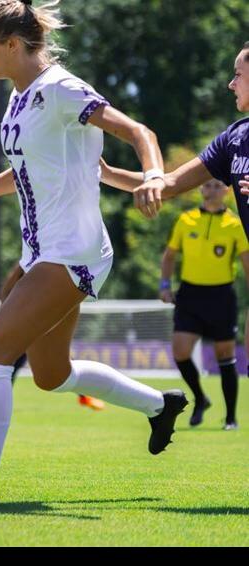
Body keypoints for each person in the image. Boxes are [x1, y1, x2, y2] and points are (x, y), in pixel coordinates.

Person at [0, 0, 187, 507]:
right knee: (51, 375)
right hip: (40, 250)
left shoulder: (62, 88)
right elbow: (33, 167)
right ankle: (161, 405)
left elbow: (140, 133)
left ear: (12, 44)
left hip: (73, 251)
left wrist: (154, 175)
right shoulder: (18, 98)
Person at [134, 41, 249, 432]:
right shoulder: (234, 138)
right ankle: (206, 402)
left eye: (238, 74)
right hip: (195, 293)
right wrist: (107, 175)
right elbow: (170, 183)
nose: (231, 84)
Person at [160, 181, 249, 429]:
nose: (211, 189)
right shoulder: (185, 220)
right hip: (190, 294)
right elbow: (169, 256)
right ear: (200, 189)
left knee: (225, 355)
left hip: (221, 296)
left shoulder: (235, 223)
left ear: (226, 191)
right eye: (207, 185)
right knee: (180, 351)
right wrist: (165, 285)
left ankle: (231, 418)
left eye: (217, 186)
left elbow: (246, 260)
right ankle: (200, 398)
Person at [2, 264, 105, 410]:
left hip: (36, 324)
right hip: (24, 326)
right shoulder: (26, 267)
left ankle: (85, 396)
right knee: (12, 366)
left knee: (59, 363)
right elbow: (6, 293)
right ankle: (1, 400)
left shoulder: (46, 265)